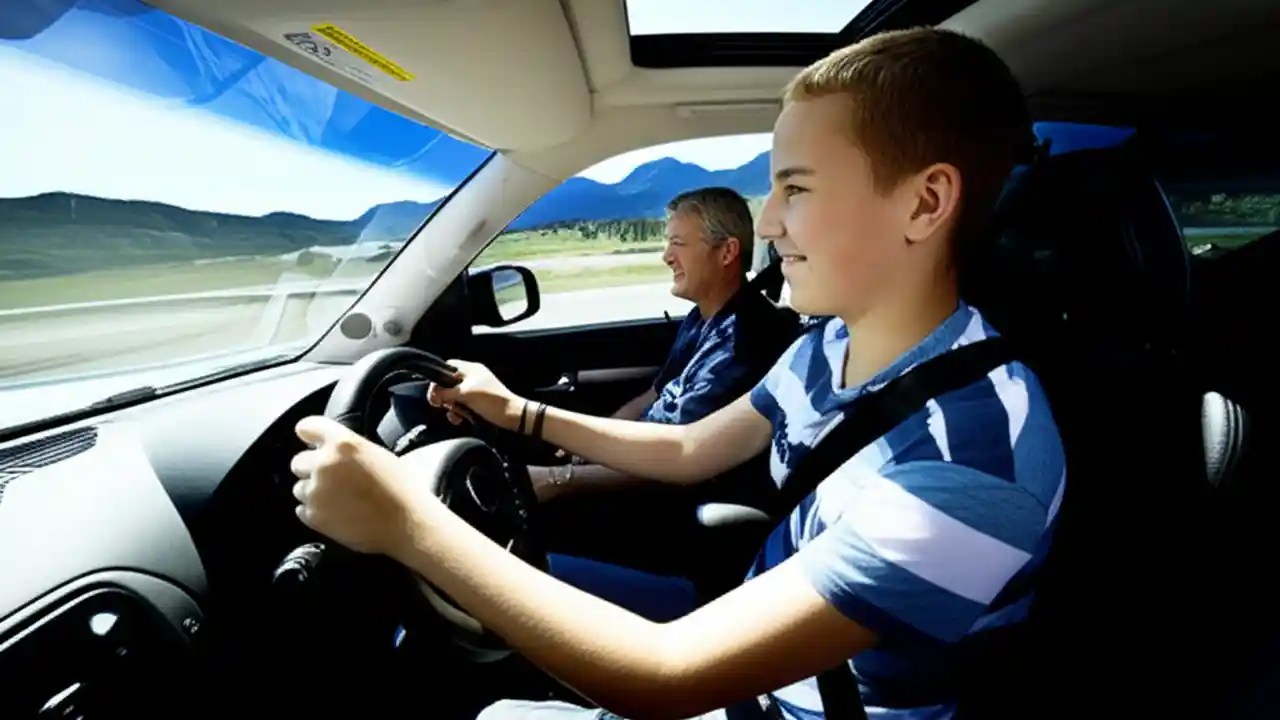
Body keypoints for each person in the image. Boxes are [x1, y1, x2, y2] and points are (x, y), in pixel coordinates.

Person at [287, 27, 1065, 720]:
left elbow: (670, 679)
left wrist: (406, 523)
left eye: (797, 187)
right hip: (755, 624)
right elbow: (689, 449)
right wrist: (518, 411)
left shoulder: (976, 471)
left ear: (925, 204)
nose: (765, 223)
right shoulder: (830, 346)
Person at [530, 187, 799, 503]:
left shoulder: (745, 342)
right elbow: (653, 394)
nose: (666, 256)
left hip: (671, 493)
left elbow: (678, 458)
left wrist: (555, 479)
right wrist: (589, 446)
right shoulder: (702, 318)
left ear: (726, 253)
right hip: (642, 459)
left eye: (678, 243)